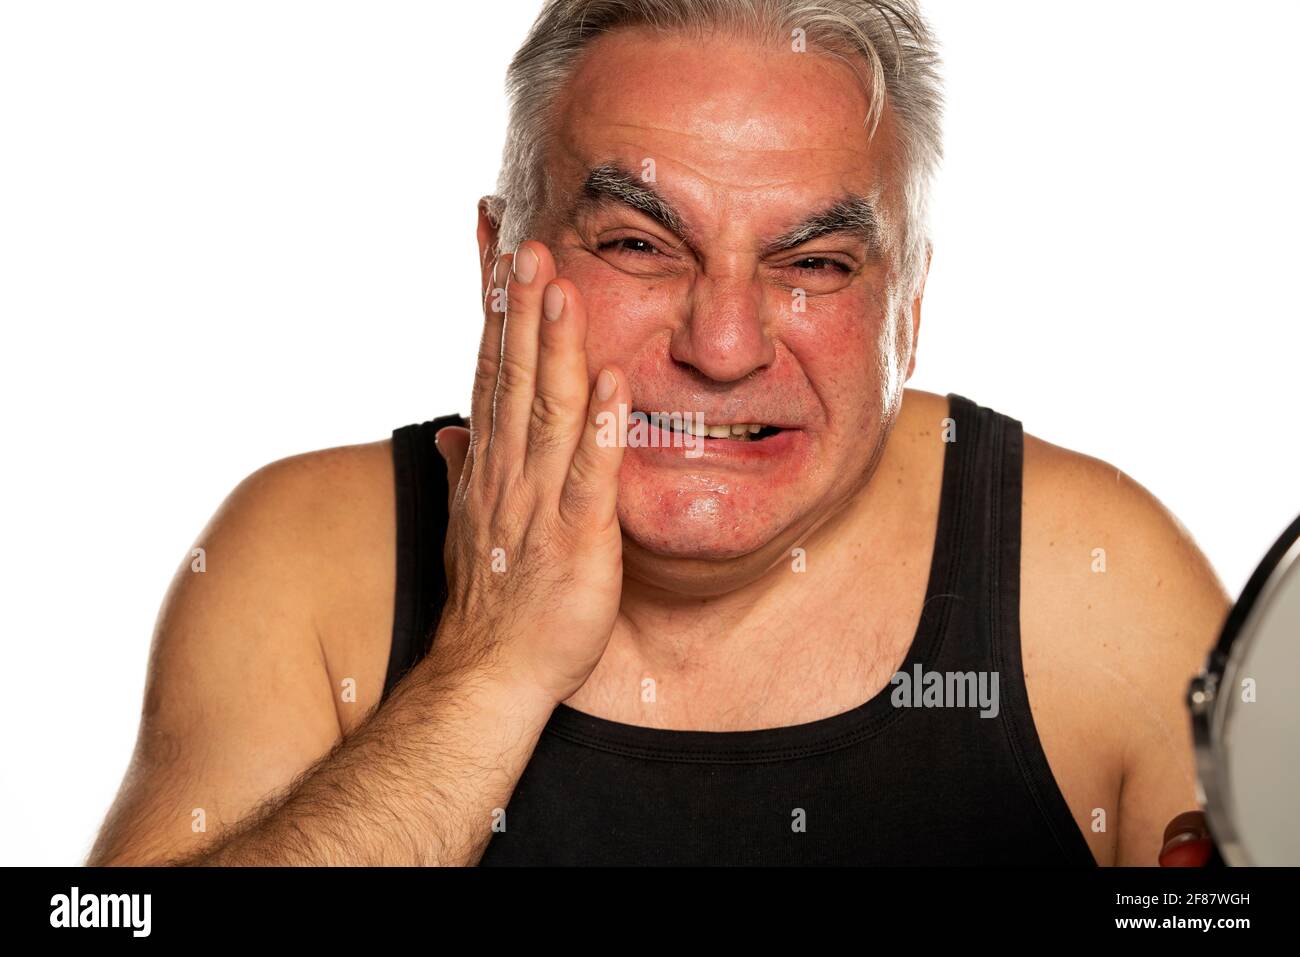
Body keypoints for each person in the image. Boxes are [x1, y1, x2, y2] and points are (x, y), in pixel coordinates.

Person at [88, 0, 1227, 866]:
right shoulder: (299, 560)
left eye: (815, 265)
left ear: (911, 308)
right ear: (498, 266)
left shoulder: (1096, 582)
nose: (724, 344)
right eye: (637, 244)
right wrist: (488, 667)